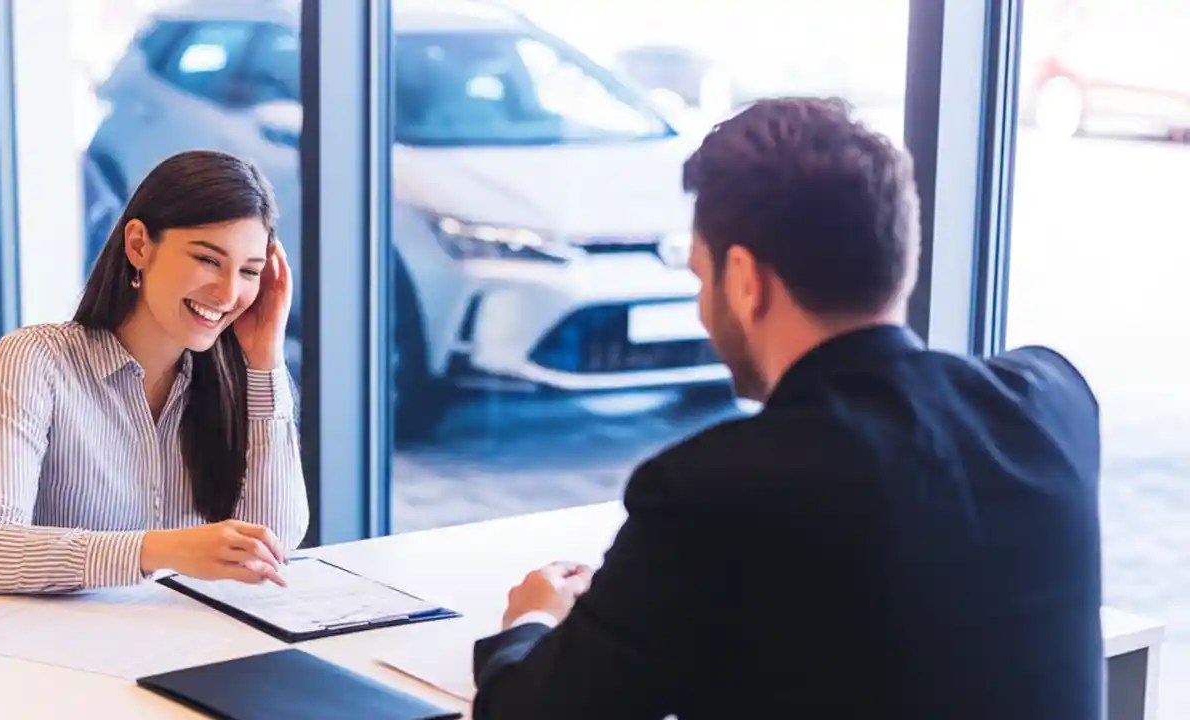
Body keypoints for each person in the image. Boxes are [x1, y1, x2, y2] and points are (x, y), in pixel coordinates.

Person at [471, 98, 1102, 719]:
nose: (701, 305)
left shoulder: (712, 491)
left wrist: (534, 618)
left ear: (745, 280)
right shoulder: (1054, 403)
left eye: (699, 277)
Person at [0, 150, 309, 594]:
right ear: (139, 245)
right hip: (60, 652)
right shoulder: (34, 361)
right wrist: (159, 550)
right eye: (208, 260)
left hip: (189, 643)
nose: (227, 292)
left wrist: (266, 359)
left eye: (249, 271)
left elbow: (273, 541)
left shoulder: (238, 374)